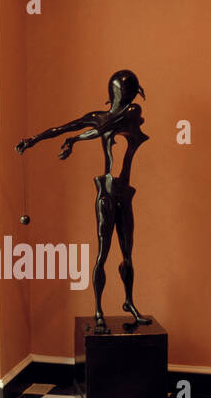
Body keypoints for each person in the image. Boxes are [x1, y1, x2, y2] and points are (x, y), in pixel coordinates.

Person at [16, 69, 151, 333]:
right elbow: (62, 127)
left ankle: (129, 302)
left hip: (125, 194)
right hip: (106, 194)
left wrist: (75, 139)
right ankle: (99, 310)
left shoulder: (132, 114)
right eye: (125, 90)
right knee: (102, 255)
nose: (127, 95)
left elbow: (107, 126)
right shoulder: (99, 118)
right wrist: (33, 140)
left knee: (127, 254)